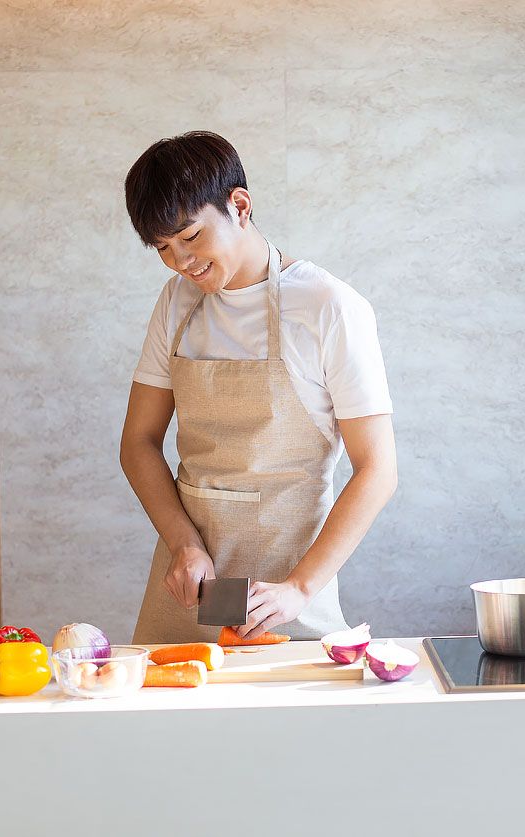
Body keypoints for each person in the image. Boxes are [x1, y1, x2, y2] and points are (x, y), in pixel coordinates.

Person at [121, 132, 397, 643]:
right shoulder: (176, 302)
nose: (180, 261)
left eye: (190, 236)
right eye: (162, 247)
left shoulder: (328, 306)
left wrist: (298, 588)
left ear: (239, 205)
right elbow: (137, 443)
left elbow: (377, 469)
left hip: (287, 600)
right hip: (188, 593)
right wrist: (184, 545)